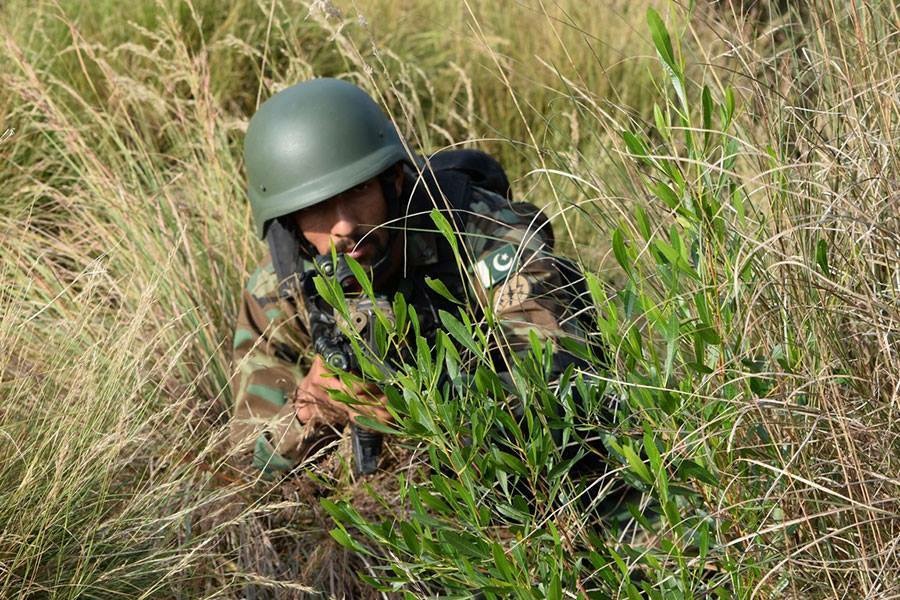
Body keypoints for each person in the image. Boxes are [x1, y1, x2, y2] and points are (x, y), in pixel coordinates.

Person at [230, 78, 591, 475]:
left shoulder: (482, 233)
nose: (344, 225)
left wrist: (425, 408)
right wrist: (309, 411)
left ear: (395, 181)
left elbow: (562, 384)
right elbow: (246, 461)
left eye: (359, 190)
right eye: (317, 207)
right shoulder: (279, 290)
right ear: (289, 222)